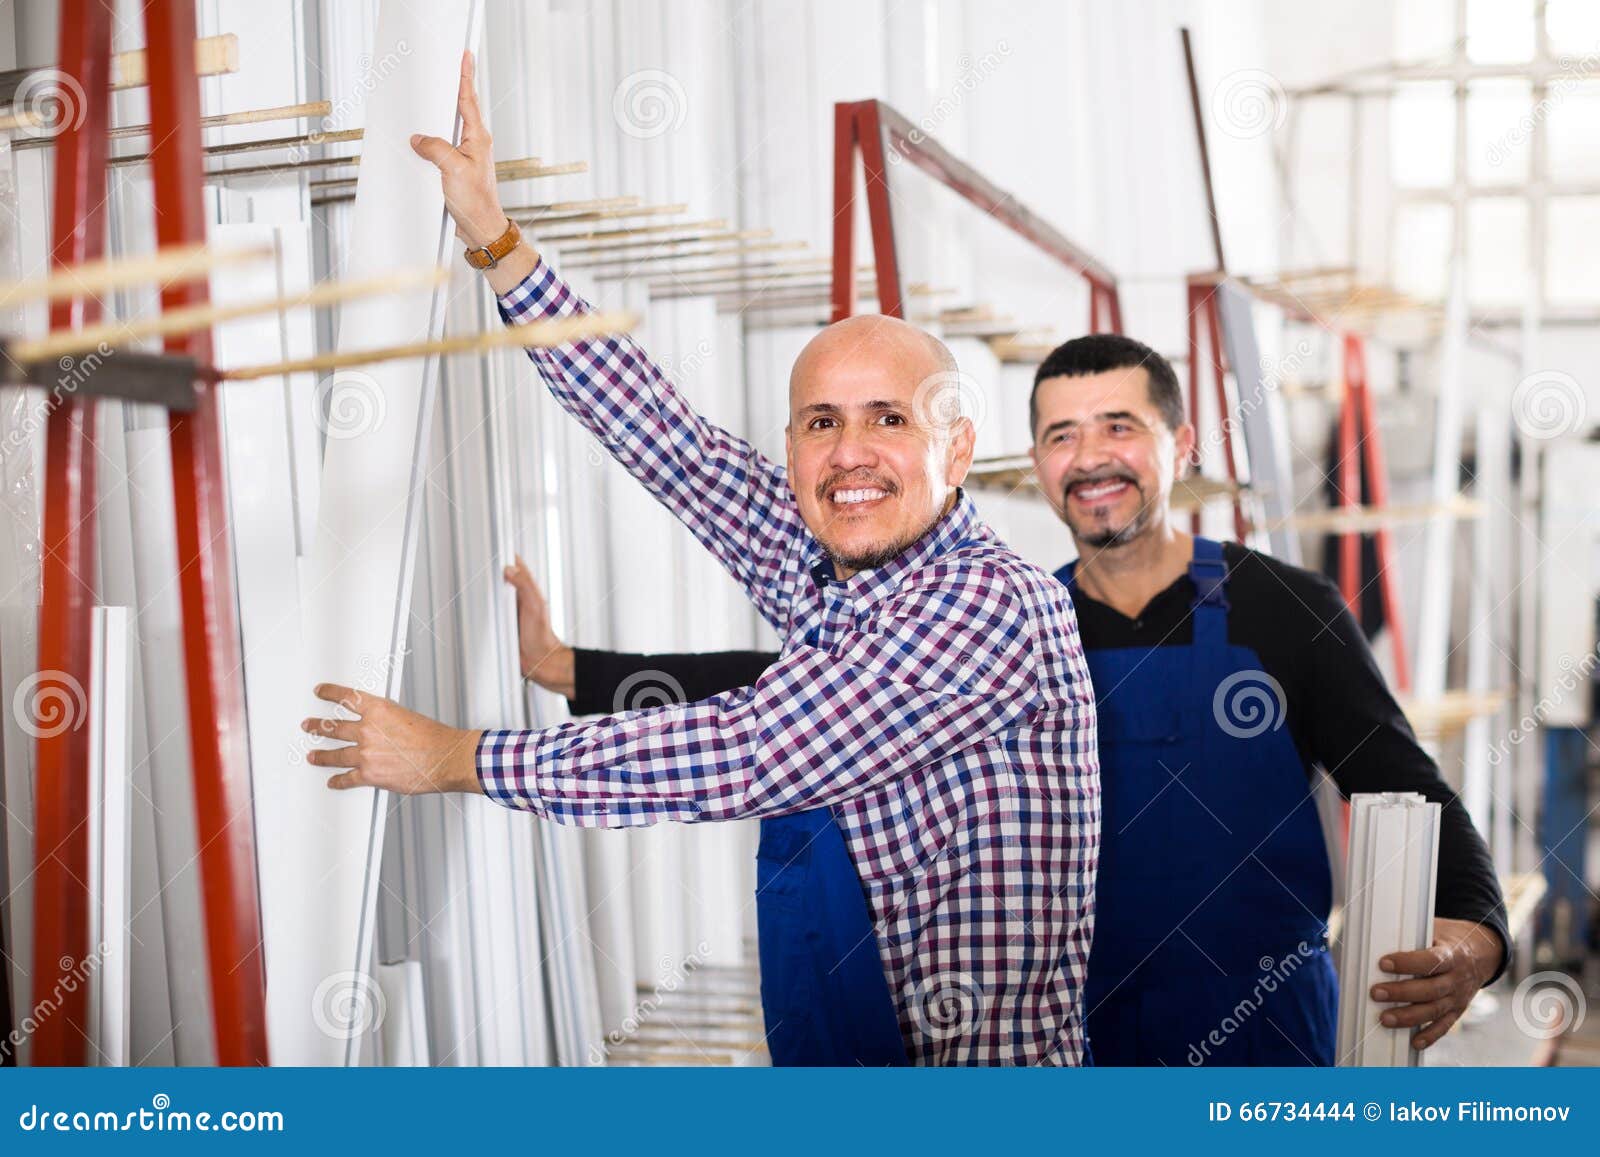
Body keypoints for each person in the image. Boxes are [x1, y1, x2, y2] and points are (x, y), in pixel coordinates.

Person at [302, 54, 1100, 1067]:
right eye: (820, 423)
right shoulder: (836, 562)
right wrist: (499, 245)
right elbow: (670, 442)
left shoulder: (986, 608)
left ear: (953, 447)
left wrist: (455, 756)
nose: (848, 453)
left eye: (885, 420)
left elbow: (750, 750)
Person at [513, 331, 1510, 1066]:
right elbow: (803, 695)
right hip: (1079, 1042)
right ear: (1029, 463)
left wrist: (1477, 930)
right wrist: (583, 671)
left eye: (1118, 426)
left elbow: (1401, 779)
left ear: (1178, 440)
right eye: (1060, 435)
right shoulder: (1020, 616)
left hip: (1260, 1046)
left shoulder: (1281, 609)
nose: (1089, 458)